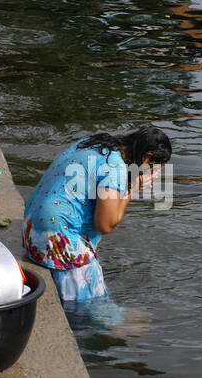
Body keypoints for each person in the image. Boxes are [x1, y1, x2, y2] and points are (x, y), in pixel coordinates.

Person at [22, 126, 171, 303]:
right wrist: (133, 186)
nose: (154, 176)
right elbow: (105, 224)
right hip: (55, 239)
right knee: (96, 306)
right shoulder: (115, 168)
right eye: (155, 169)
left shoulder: (97, 143)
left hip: (32, 232)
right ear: (147, 158)